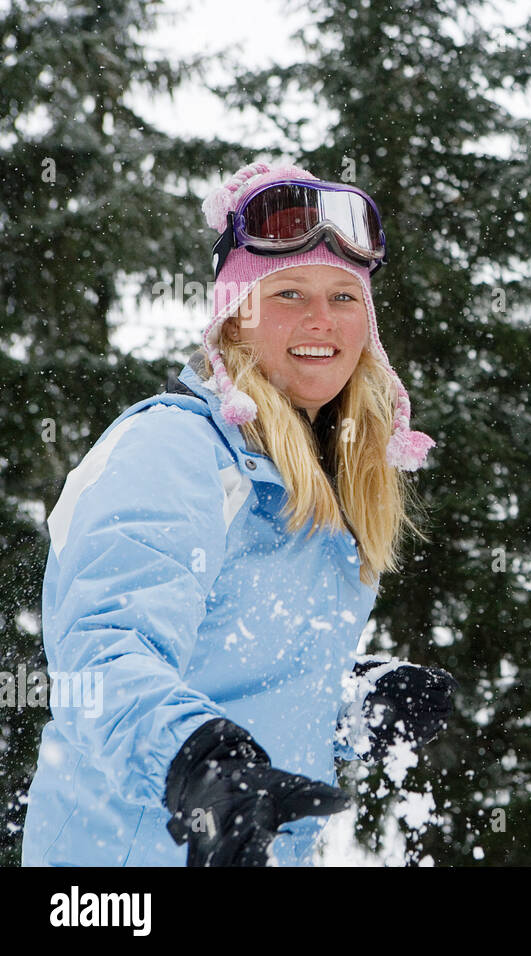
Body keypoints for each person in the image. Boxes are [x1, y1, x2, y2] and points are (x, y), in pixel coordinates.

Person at [23, 162, 456, 866]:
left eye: (345, 296)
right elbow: (102, 658)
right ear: (234, 316)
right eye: (288, 293)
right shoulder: (172, 448)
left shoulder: (320, 477)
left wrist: (347, 702)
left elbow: (232, 670)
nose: (322, 321)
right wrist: (198, 764)